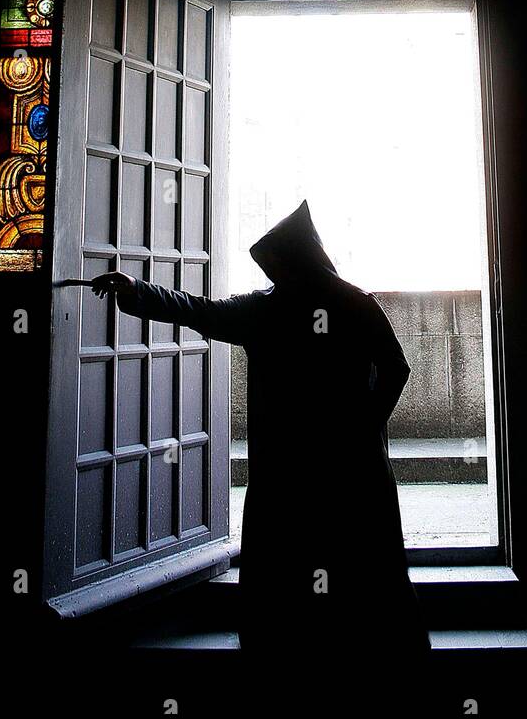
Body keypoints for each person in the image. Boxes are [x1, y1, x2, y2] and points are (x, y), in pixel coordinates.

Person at [92, 200, 431, 660]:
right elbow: (396, 368)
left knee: (283, 578)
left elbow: (198, 310)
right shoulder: (356, 303)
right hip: (354, 469)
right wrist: (363, 429)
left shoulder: (266, 311)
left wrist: (137, 290)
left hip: (285, 470)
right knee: (366, 574)